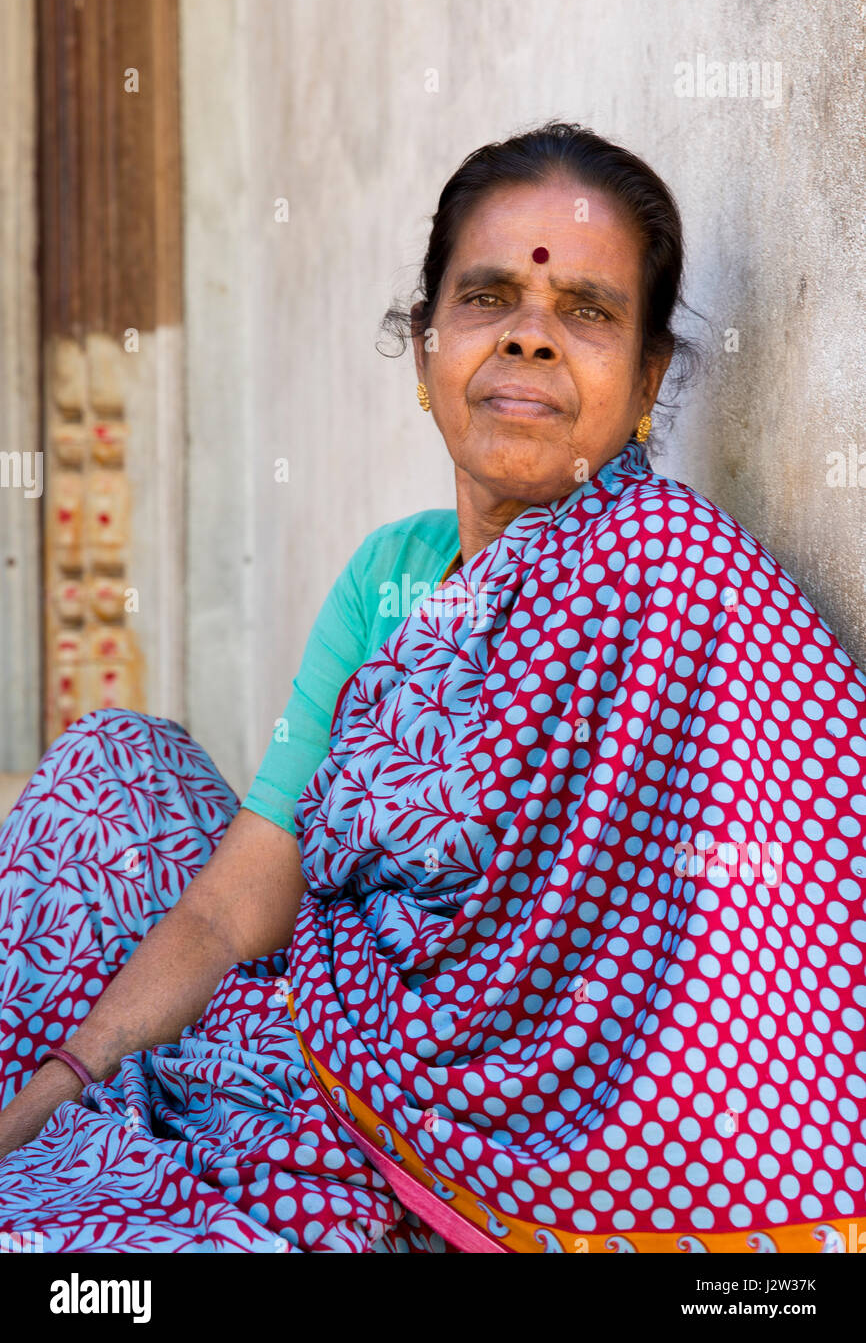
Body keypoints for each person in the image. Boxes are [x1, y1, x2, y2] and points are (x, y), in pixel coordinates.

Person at [0, 121, 863, 1253]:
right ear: (424, 351)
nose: (531, 339)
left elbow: (785, 935)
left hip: (537, 1130)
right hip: (333, 1023)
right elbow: (242, 894)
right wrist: (57, 1087)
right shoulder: (390, 575)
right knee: (114, 768)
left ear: (648, 376)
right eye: (488, 297)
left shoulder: (677, 580)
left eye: (587, 313)